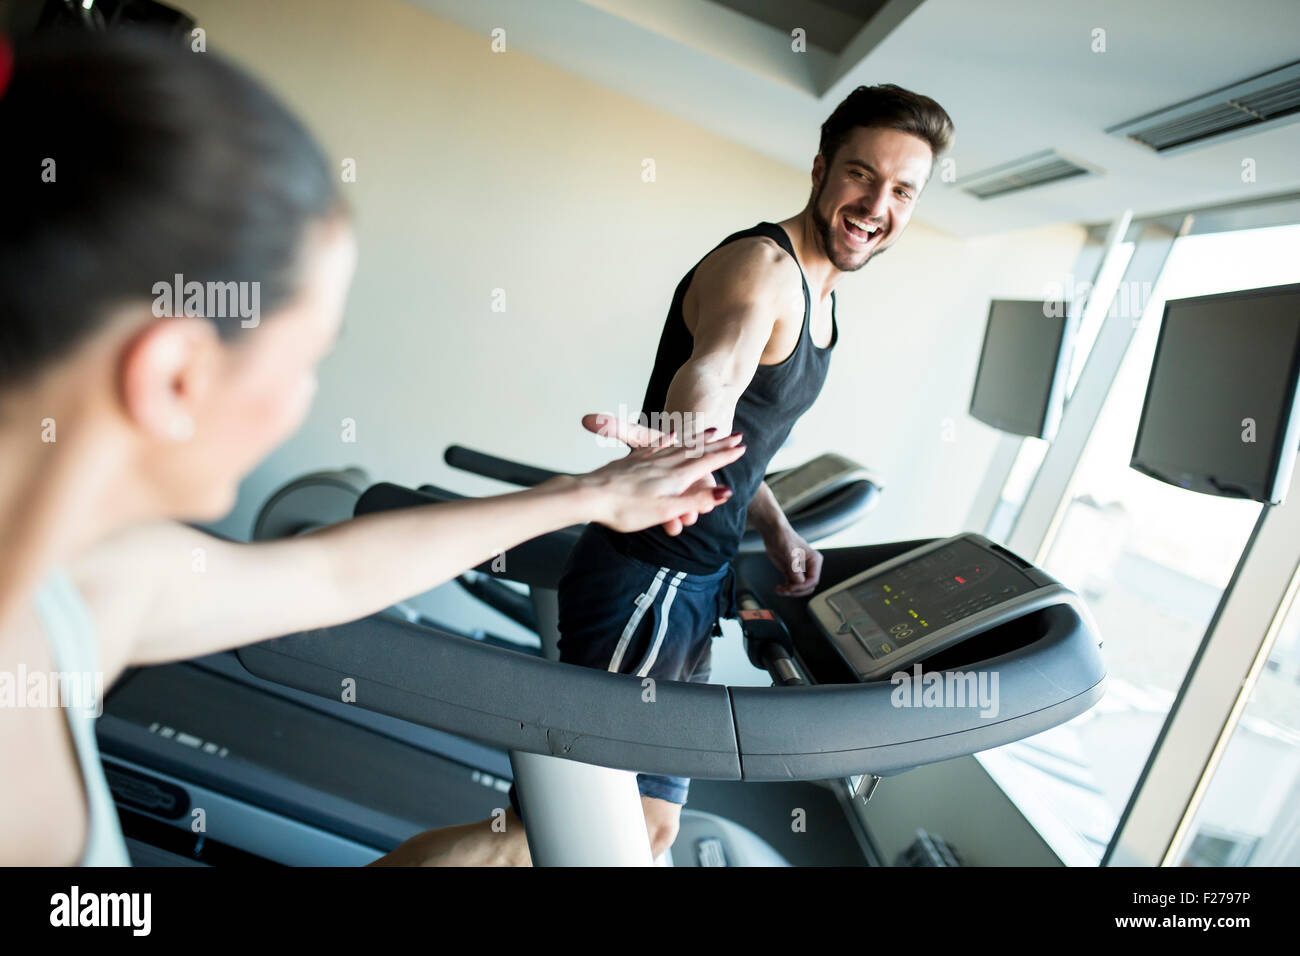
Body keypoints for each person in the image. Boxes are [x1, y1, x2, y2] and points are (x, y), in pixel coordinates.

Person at [0, 29, 745, 867]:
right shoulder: (86, 595)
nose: (303, 397)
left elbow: (332, 574)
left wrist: (592, 496)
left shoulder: (76, 589)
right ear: (175, 376)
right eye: (306, 358)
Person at [549, 84, 955, 858]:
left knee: (649, 827)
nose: (877, 204)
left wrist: (774, 527)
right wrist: (683, 440)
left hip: (694, 581)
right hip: (651, 576)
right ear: (820, 170)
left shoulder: (826, 300)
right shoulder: (763, 269)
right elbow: (715, 378)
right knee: (586, 830)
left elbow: (746, 439)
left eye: (902, 190)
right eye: (861, 175)